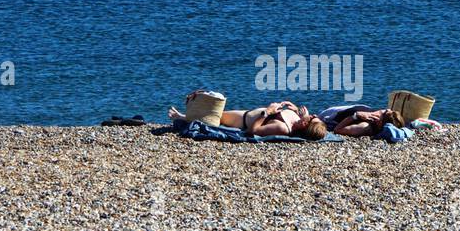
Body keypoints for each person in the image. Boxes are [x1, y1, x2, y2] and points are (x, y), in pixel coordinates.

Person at [169, 97, 327, 140]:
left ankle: (183, 117)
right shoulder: (300, 119)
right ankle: (185, 116)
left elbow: (254, 131)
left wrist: (268, 112)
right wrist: (295, 110)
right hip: (249, 113)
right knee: (214, 112)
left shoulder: (283, 128)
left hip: (243, 120)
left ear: (306, 125)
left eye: (312, 118)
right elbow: (306, 120)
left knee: (214, 117)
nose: (313, 115)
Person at [330, 106, 405, 138]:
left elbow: (337, 129)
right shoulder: (394, 121)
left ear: (379, 123)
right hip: (348, 108)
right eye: (387, 110)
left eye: (384, 112)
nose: (386, 109)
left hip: (331, 116)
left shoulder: (364, 127)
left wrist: (356, 115)